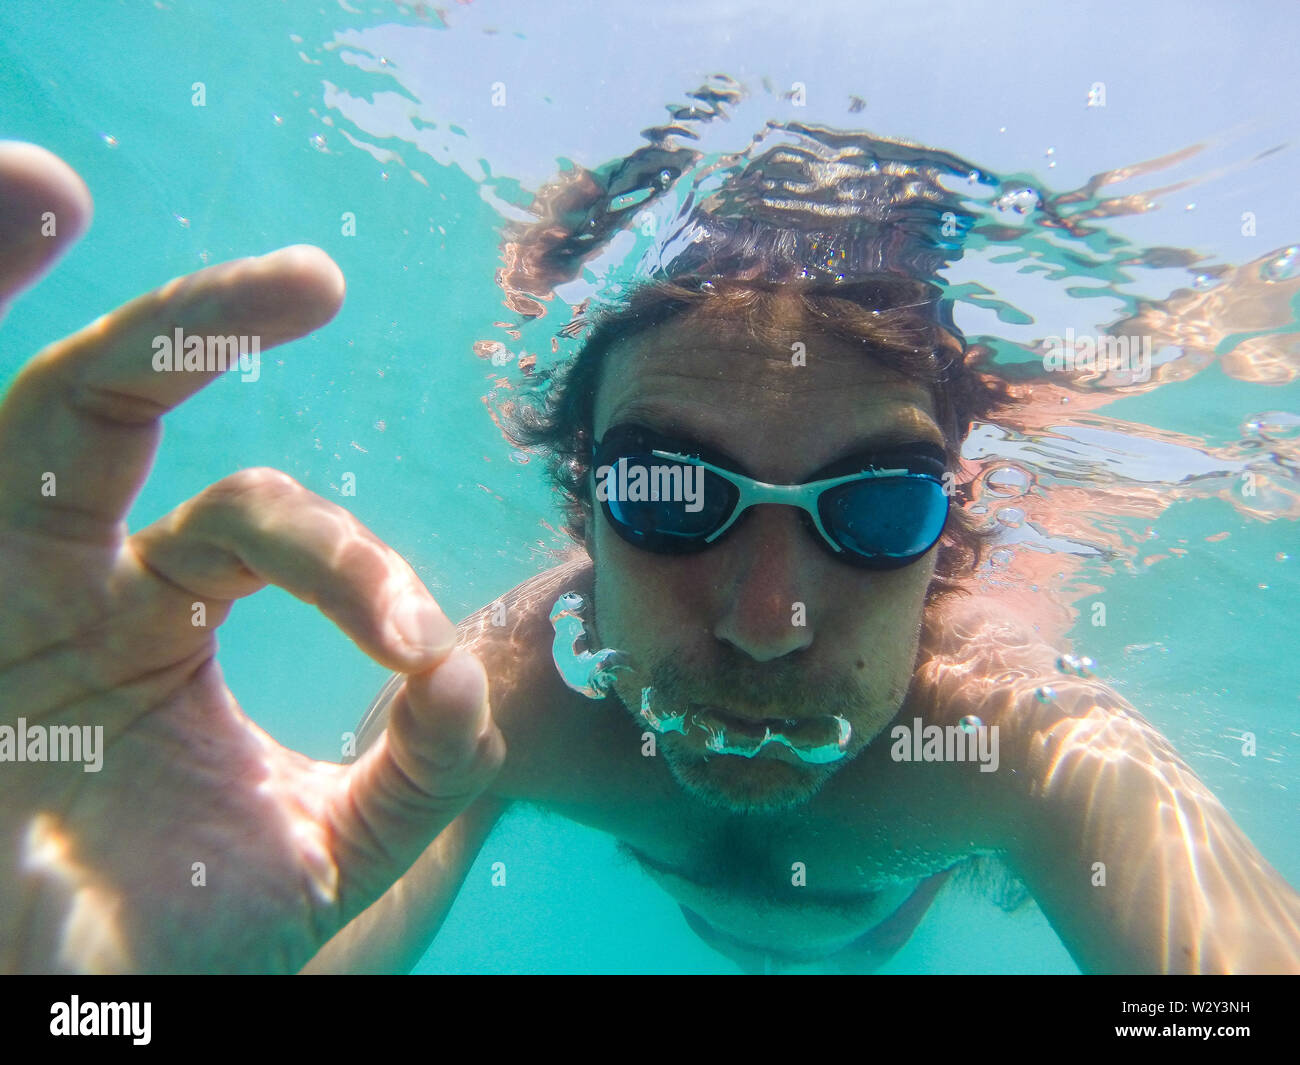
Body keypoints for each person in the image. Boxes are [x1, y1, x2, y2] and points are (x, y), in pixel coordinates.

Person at [2, 140, 1297, 975]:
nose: (769, 620)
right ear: (584, 512)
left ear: (946, 535)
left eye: (878, 508)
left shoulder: (1025, 740)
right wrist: (92, 997)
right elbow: (286, 925)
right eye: (672, 496)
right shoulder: (506, 696)